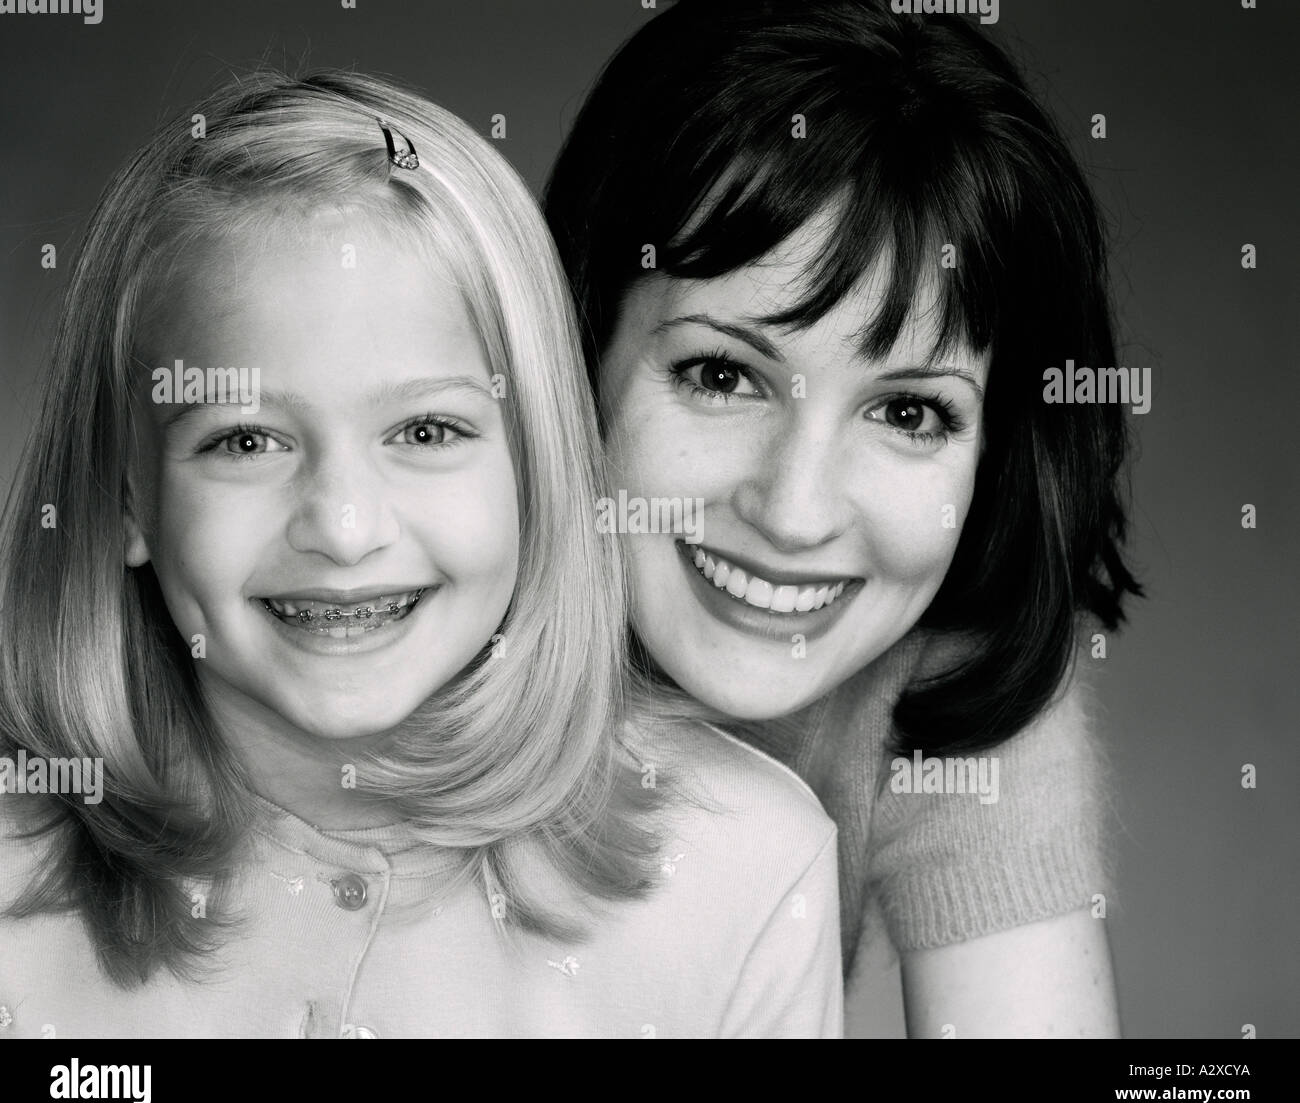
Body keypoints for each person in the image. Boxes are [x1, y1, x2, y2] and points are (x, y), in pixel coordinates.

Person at [0, 70, 840, 1038]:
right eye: (245, 441)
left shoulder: (747, 872)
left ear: (538, 468)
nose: (346, 528)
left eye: (428, 432)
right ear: (125, 500)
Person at [545, 0, 1142, 1035]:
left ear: (996, 454)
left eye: (909, 411)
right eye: (722, 373)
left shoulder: (943, 683)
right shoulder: (394, 592)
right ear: (573, 348)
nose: (793, 510)